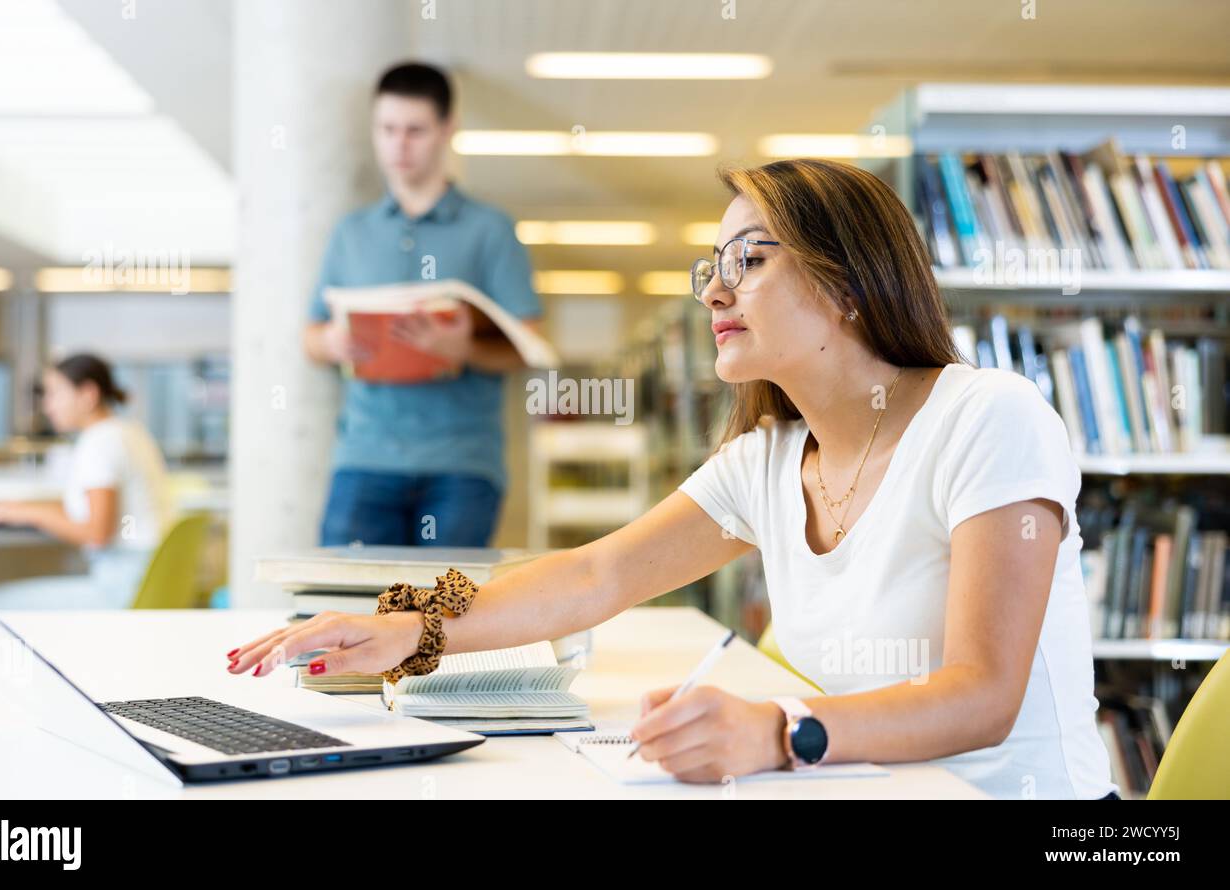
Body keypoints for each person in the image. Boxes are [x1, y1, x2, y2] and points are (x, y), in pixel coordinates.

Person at [229, 158, 1117, 800]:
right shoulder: (770, 458)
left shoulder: (988, 419)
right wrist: (410, 626)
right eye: (713, 268)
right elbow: (594, 576)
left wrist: (776, 732)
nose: (715, 294)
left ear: (848, 284)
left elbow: (983, 697)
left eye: (751, 260)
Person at [303, 61, 542, 548]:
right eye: (387, 130)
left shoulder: (491, 230)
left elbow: (529, 345)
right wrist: (331, 341)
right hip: (364, 458)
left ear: (446, 130)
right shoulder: (352, 233)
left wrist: (464, 351)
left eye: (415, 131)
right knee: (347, 610)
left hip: (461, 464)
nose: (399, 146)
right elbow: (310, 335)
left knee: (444, 619)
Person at [0, 353, 174, 610]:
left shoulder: (99, 442)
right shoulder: (130, 431)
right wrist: (27, 510)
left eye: (54, 394)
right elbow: (93, 509)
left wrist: (29, 514)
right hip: (149, 579)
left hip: (120, 588)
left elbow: (97, 532)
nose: (48, 406)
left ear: (87, 394)